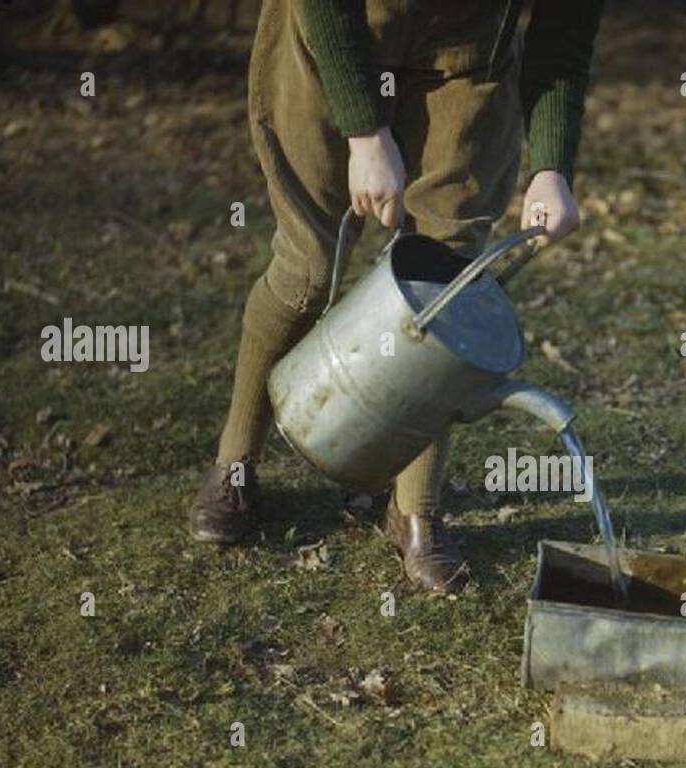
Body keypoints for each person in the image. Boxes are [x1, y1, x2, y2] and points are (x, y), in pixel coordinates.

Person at [190, 0, 604, 593]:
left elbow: (564, 37)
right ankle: (235, 464)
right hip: (337, 35)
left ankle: (416, 510)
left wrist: (552, 168)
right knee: (308, 269)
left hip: (467, 63)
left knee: (447, 283)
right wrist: (364, 130)